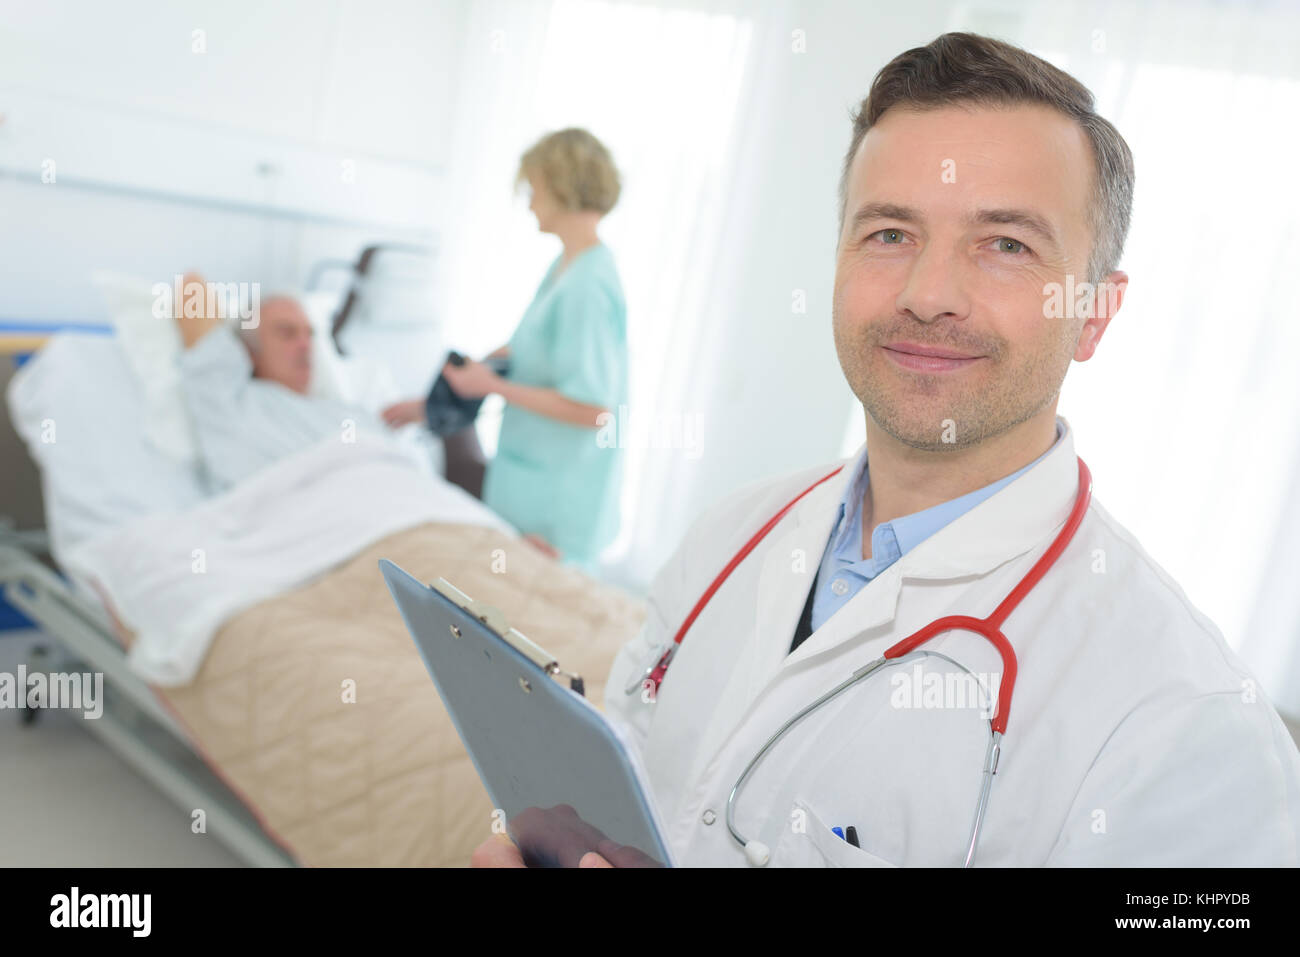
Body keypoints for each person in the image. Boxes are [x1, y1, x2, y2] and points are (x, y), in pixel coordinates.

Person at [473, 33, 1300, 867]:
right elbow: (638, 789)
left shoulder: (1189, 726)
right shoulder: (726, 537)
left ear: (1095, 311)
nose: (928, 295)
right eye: (890, 233)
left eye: (1006, 244)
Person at [384, 129, 628, 571]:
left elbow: (593, 409)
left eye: (534, 188)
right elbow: (530, 344)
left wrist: (492, 385)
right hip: (532, 477)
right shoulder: (567, 265)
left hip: (558, 499)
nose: (530, 201)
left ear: (562, 186)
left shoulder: (587, 285)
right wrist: (455, 388)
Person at [175, 273, 385, 492]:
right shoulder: (231, 399)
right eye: (287, 333)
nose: (305, 345)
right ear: (249, 350)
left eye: (310, 334)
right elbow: (192, 288)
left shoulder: (348, 413)